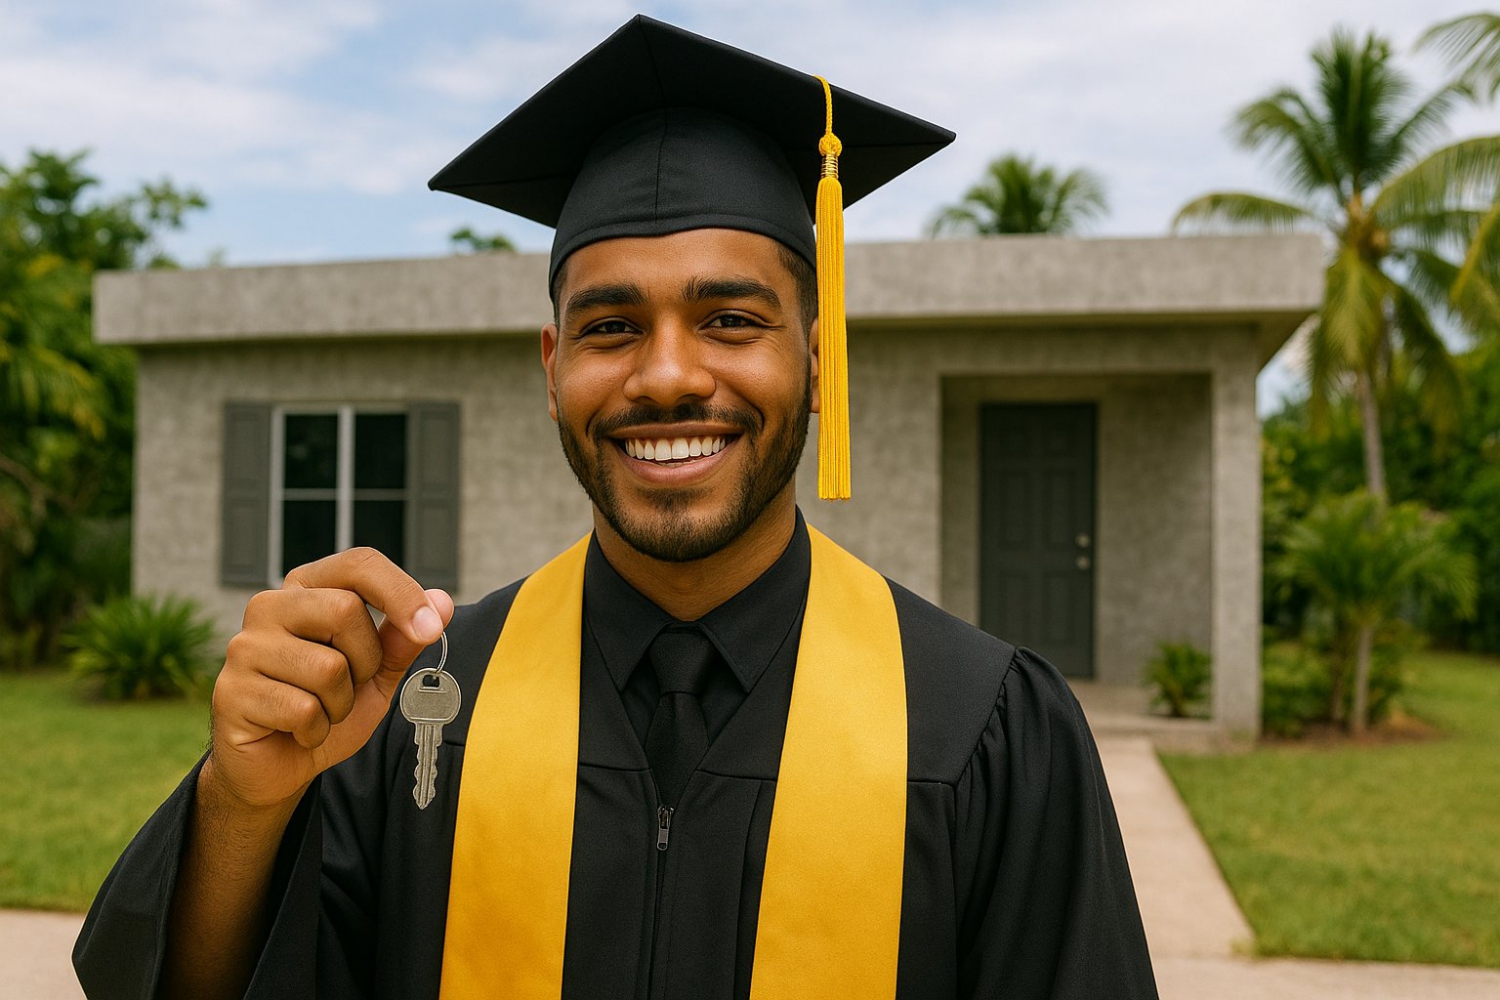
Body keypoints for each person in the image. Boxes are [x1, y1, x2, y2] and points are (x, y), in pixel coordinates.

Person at [74, 15, 1157, 1000]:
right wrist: (244, 802)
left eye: (731, 320)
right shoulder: (419, 708)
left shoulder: (981, 724)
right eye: (610, 328)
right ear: (552, 369)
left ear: (820, 360)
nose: (668, 376)